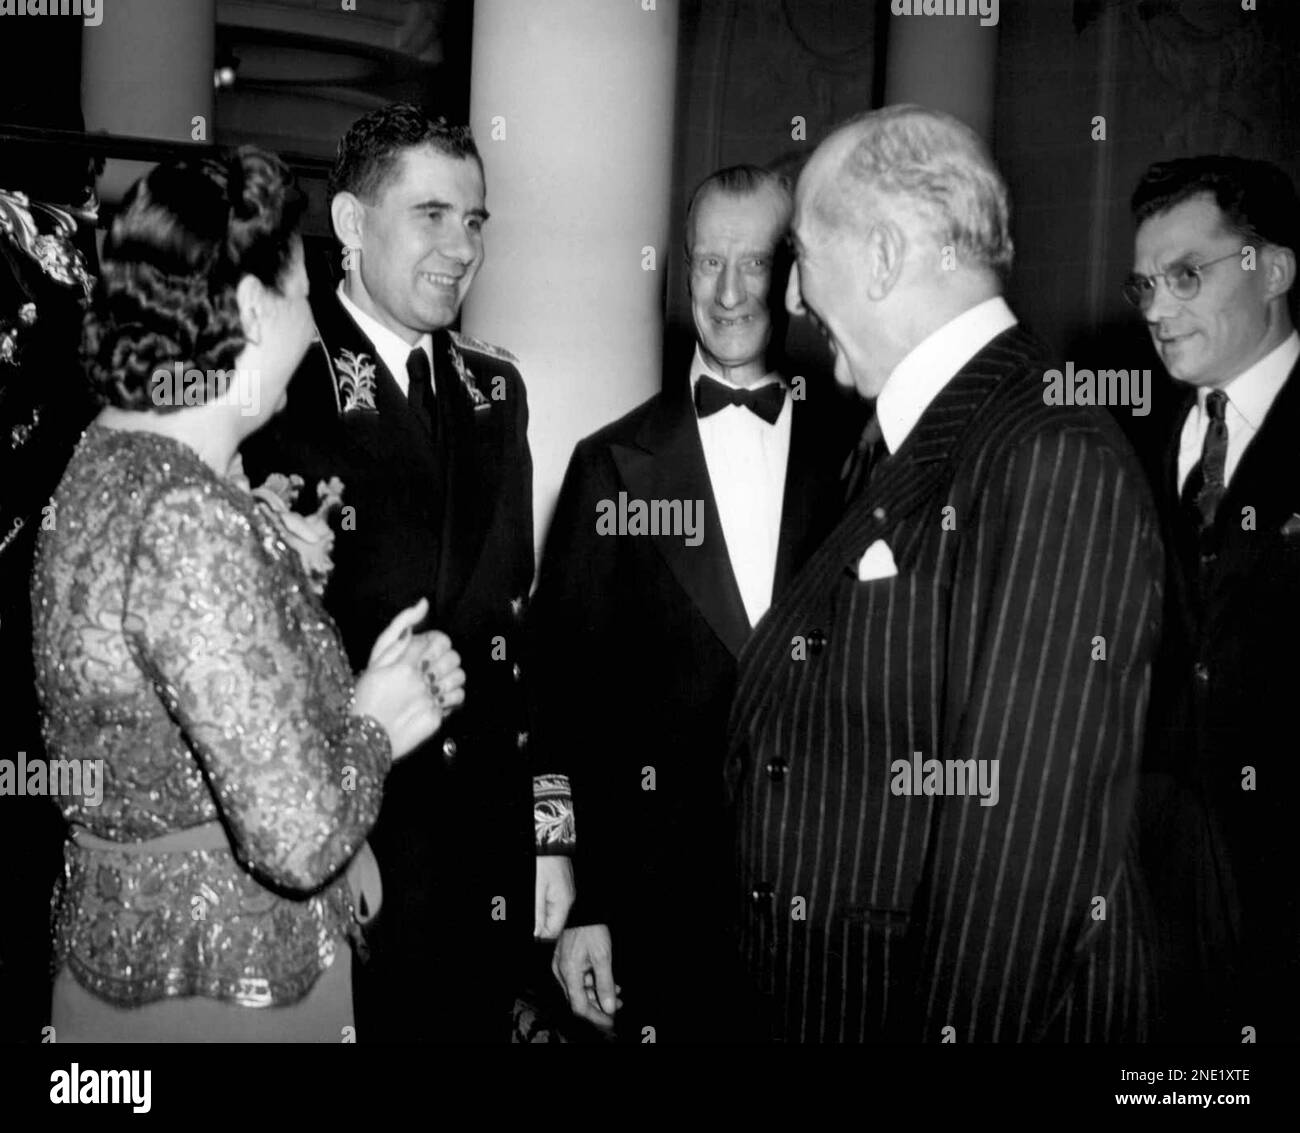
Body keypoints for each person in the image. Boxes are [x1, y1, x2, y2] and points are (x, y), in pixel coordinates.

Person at [725, 105, 1162, 1042]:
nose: (793, 297)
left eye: (800, 254)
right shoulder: (907, 438)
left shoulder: (1048, 452)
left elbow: (1019, 866)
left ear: (881, 256)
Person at [31, 147, 460, 1042]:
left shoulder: (100, 463)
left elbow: (199, 726)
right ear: (256, 308)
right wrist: (375, 722)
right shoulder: (187, 513)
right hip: (225, 995)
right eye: (303, 297)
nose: (312, 329)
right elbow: (299, 841)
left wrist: (338, 688)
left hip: (124, 977)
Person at [240, 104, 573, 1044]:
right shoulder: (276, 383)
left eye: (474, 221)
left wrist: (549, 831)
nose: (461, 246)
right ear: (350, 224)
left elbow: (520, 633)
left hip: (484, 864)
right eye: (431, 215)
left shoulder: (495, 390)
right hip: (349, 858)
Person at [533, 165, 860, 1041]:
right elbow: (560, 702)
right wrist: (574, 890)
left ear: (791, 275)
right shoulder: (611, 464)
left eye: (751, 264)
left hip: (828, 914)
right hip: (654, 914)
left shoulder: (860, 457)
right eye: (707, 263)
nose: (725, 293)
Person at [1129, 156, 1300, 1043]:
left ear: (1270, 270)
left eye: (1185, 276)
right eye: (1145, 284)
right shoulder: (1131, 443)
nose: (1157, 309)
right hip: (1156, 910)